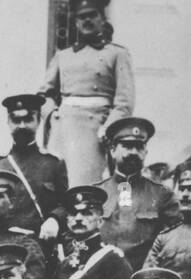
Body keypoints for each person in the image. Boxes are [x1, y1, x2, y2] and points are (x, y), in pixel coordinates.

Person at [40, 0, 134, 186]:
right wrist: (52, 115)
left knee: (87, 187)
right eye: (82, 17)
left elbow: (125, 102)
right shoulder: (63, 56)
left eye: (92, 15)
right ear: (75, 22)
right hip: (64, 130)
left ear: (102, 19)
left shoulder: (116, 54)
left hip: (96, 131)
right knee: (57, 184)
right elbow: (44, 94)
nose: (87, 20)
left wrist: (109, 128)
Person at [96, 116, 179, 271]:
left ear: (146, 152)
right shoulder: (97, 193)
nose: (133, 152)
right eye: (127, 146)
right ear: (113, 150)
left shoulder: (162, 195)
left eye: (139, 147)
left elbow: (176, 241)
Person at [0, 94, 68, 238]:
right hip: (3, 244)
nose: (22, 126)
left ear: (38, 121)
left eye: (28, 119)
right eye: (16, 120)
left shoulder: (53, 163)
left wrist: (54, 219)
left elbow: (66, 204)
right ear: (8, 122)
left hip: (40, 245)